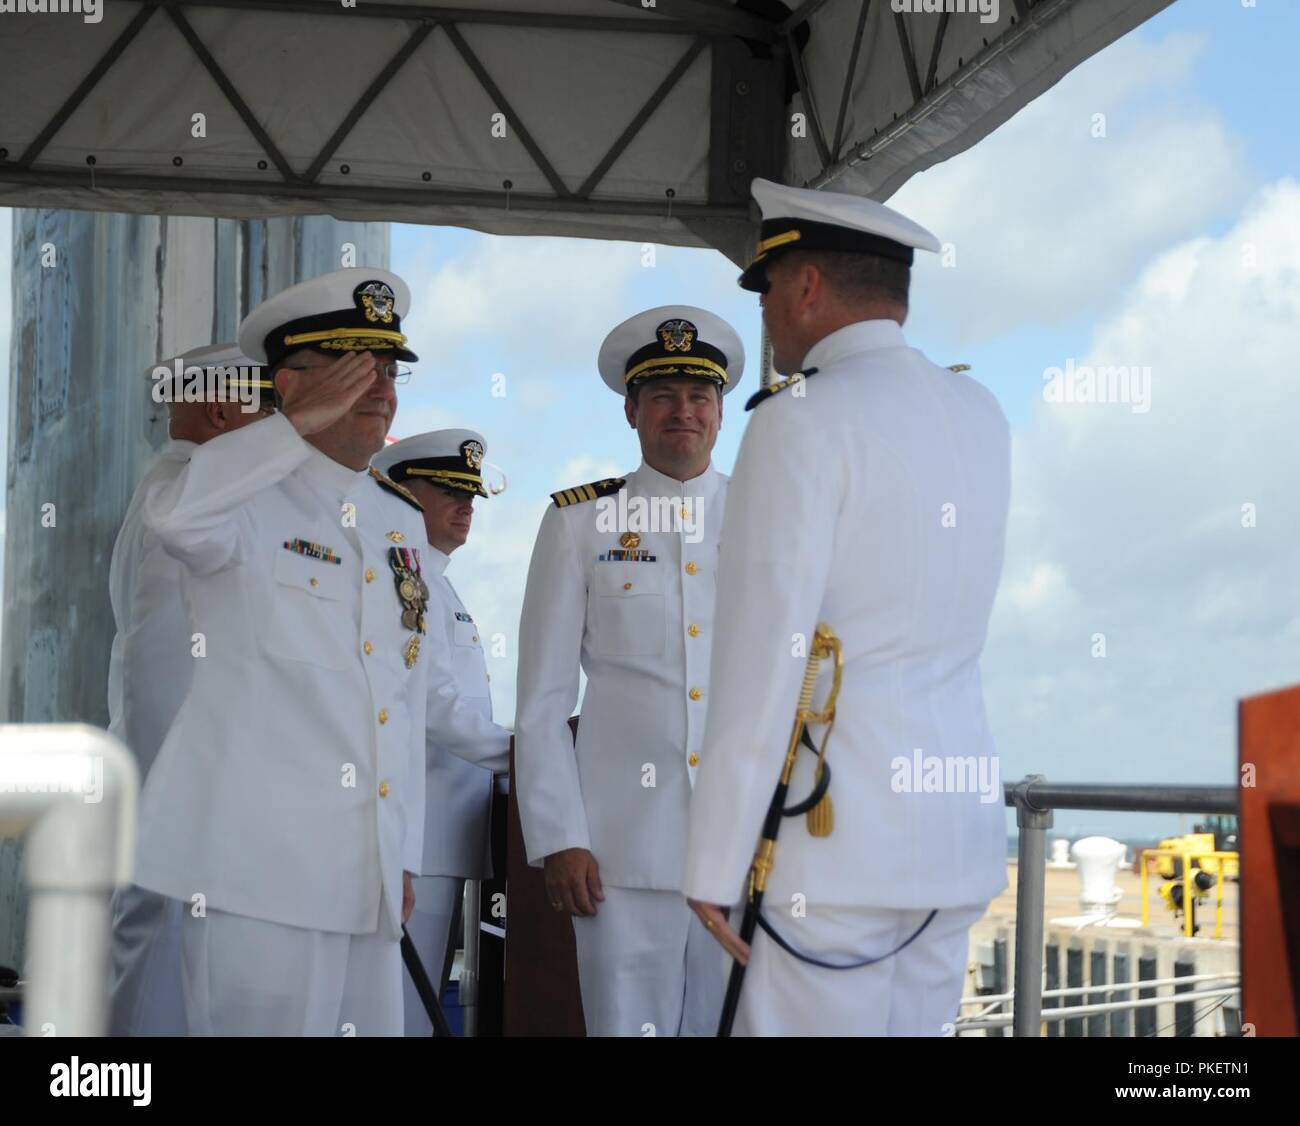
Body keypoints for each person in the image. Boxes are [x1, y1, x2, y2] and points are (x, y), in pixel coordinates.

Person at [685, 178, 1012, 1036]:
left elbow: (765, 661)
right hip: (955, 840)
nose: (769, 315)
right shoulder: (981, 413)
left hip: (831, 854)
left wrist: (718, 859)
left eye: (768, 290)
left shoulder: (798, 421)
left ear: (806, 286)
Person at [133, 268, 430, 1036]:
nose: (379, 386)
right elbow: (178, 524)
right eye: (353, 366)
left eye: (389, 368)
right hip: (254, 874)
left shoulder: (401, 522)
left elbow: (404, 698)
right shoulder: (231, 487)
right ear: (291, 380)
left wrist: (403, 855)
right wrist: (288, 427)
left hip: (363, 879)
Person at [515, 306, 743, 1036]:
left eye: (699, 397)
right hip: (618, 849)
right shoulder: (580, 523)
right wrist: (558, 836)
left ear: (719, 412)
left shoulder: (764, 518)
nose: (684, 412)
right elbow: (544, 700)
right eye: (665, 397)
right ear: (632, 411)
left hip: (738, 847)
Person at [107, 343, 272, 1036]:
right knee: (168, 930)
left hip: (174, 770)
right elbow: (172, 664)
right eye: (262, 404)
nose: (272, 422)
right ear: (217, 408)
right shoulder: (187, 500)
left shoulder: (167, 489)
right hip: (183, 770)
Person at [371, 428, 511, 1036]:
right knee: (402, 1008)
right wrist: (527, 755)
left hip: (447, 835)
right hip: (416, 839)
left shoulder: (439, 580)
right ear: (401, 493)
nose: (466, 507)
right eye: (449, 491)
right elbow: (433, 703)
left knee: (422, 1004)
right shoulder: (404, 574)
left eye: (472, 495)